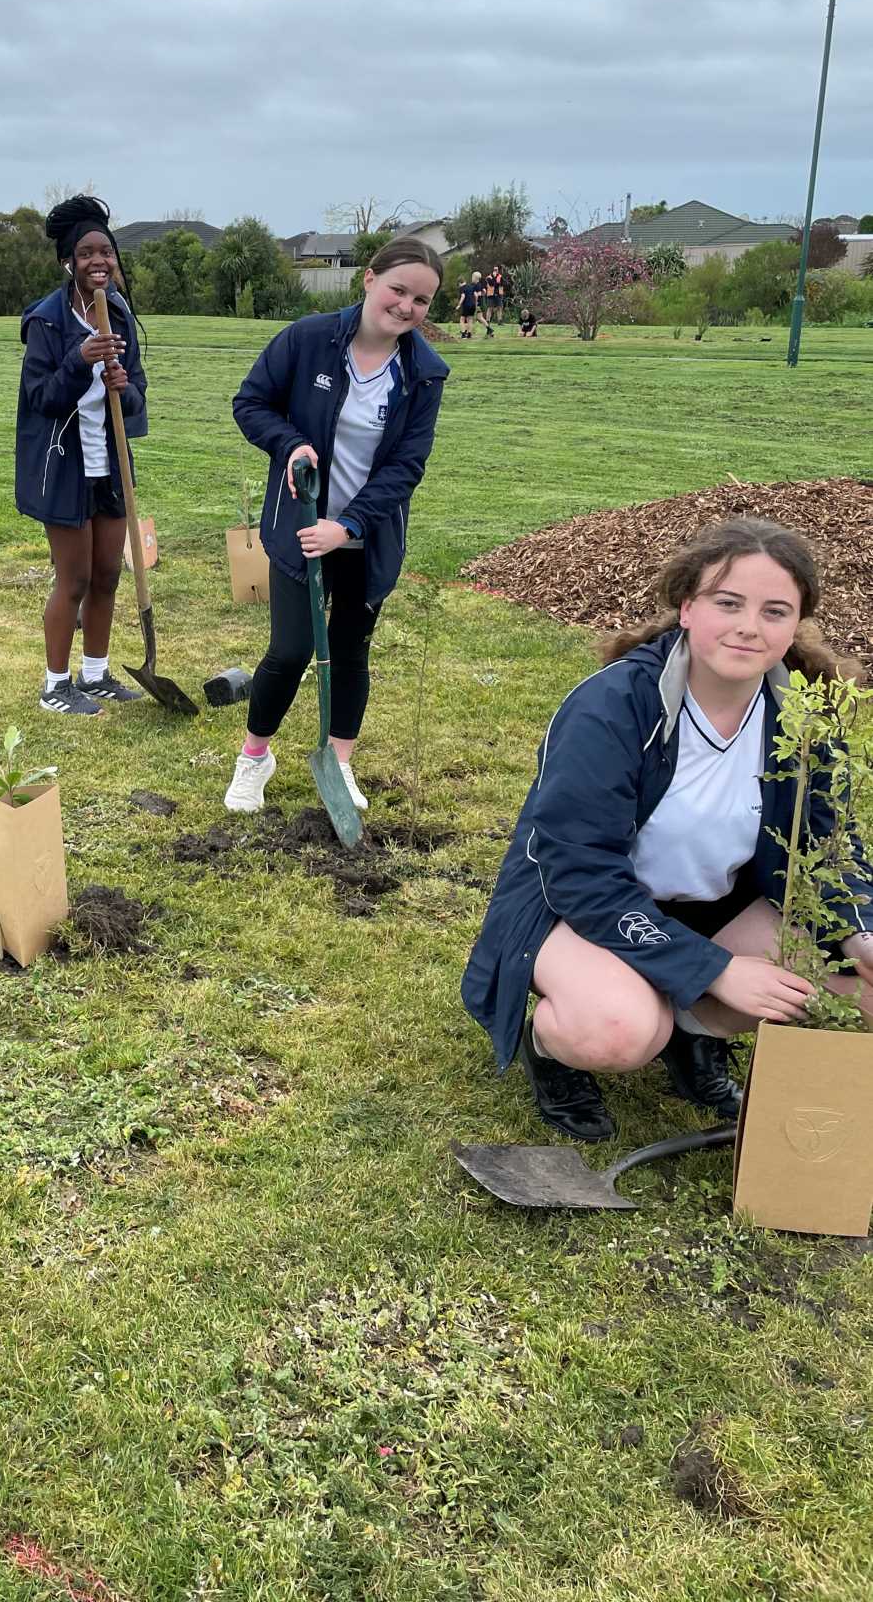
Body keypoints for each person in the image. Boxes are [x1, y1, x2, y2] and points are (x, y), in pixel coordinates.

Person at [462, 517, 873, 1142]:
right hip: (580, 910)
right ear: (687, 607)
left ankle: (693, 1034)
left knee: (843, 979)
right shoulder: (613, 707)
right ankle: (551, 1046)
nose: (748, 626)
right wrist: (715, 970)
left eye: (774, 611)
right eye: (727, 603)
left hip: (714, 905)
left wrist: (860, 933)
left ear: (795, 625)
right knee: (622, 1029)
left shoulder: (803, 718)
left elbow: (827, 844)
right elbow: (580, 873)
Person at [224, 239, 449, 813]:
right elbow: (251, 403)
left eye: (421, 300)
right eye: (398, 290)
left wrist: (347, 526)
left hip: (366, 537)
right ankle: (255, 756)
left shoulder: (423, 374)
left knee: (350, 653)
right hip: (300, 529)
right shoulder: (307, 340)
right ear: (369, 280)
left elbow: (407, 467)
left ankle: (339, 762)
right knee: (291, 649)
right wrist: (291, 443)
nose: (406, 306)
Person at [15, 195, 147, 714]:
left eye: (107, 253)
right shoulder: (47, 322)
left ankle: (95, 676)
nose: (99, 261)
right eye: (87, 252)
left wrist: (123, 385)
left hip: (109, 464)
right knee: (75, 579)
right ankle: (54, 685)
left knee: (109, 574)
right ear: (69, 261)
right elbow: (40, 399)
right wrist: (79, 360)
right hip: (61, 467)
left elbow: (136, 392)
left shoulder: (119, 315)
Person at [456, 273, 480, 340]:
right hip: (472, 305)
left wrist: (459, 305)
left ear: (459, 283)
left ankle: (463, 334)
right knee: (470, 319)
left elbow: (463, 296)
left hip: (466, 305)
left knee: (462, 319)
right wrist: (475, 303)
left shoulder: (462, 288)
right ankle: (469, 334)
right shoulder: (471, 286)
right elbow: (476, 295)